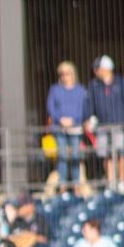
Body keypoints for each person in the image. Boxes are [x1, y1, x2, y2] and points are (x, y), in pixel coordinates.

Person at [83, 55, 124, 192]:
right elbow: (89, 104)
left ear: (107, 69)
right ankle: (111, 182)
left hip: (118, 124)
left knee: (119, 152)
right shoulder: (94, 86)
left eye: (99, 68)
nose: (96, 71)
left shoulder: (121, 83)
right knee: (106, 154)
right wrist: (87, 119)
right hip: (102, 125)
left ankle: (122, 182)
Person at [47, 61, 88, 191]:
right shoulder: (55, 89)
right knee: (62, 155)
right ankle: (62, 184)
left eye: (67, 74)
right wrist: (60, 119)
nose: (65, 77)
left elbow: (84, 108)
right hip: (59, 128)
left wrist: (74, 120)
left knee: (76, 155)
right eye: (62, 74)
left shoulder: (81, 90)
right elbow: (51, 107)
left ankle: (77, 184)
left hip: (75, 128)